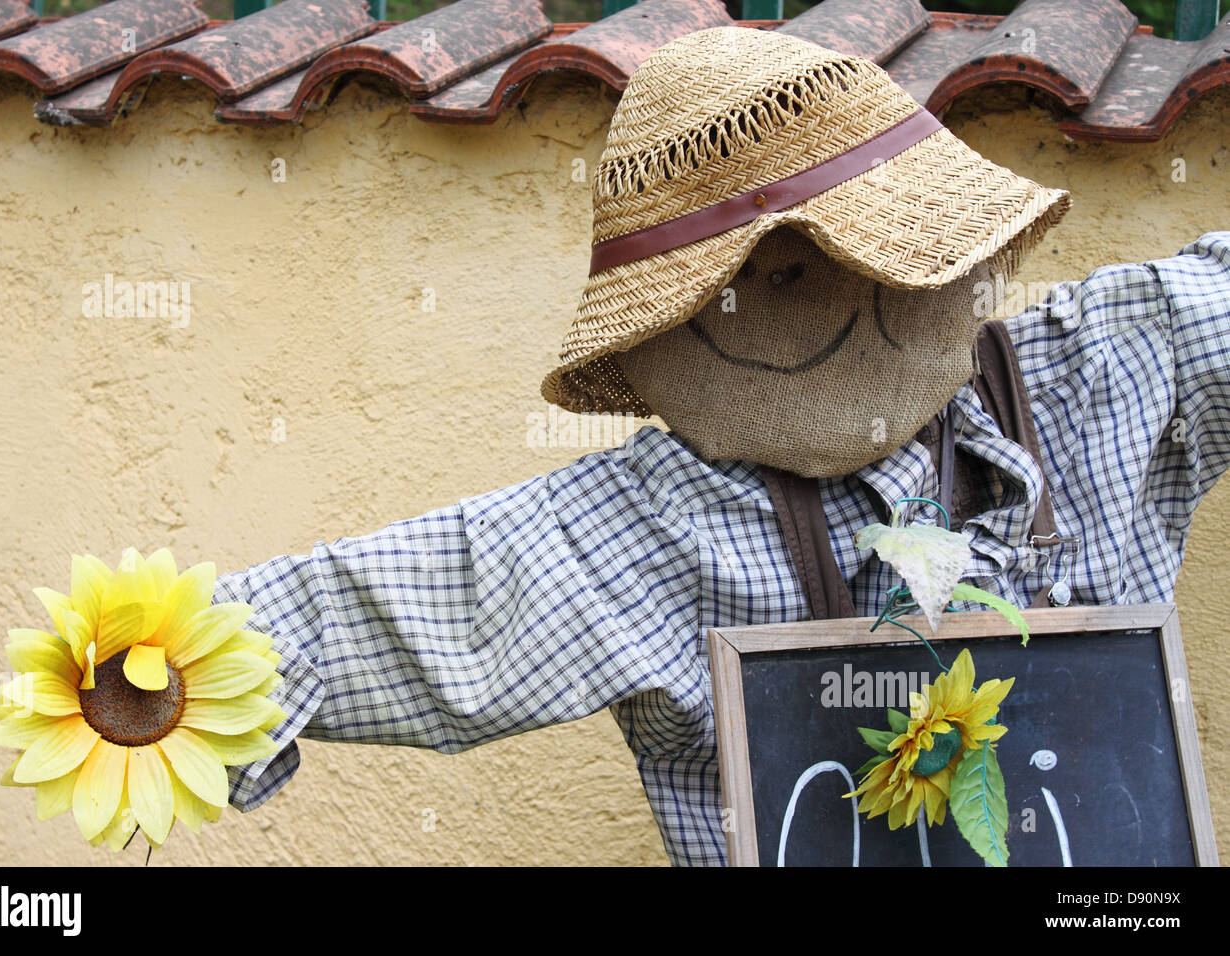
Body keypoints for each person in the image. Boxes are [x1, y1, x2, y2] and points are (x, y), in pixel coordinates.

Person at [210, 28, 1230, 866]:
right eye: (778, 279)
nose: (824, 300)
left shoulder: (1103, 369)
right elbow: (401, 604)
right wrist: (162, 659)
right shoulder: (653, 529)